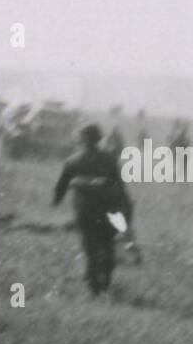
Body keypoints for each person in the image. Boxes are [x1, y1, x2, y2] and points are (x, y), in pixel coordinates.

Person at [52, 123, 136, 296]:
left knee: (89, 248)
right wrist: (126, 207)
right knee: (107, 246)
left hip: (84, 212)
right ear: (99, 139)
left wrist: (57, 200)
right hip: (107, 210)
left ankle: (94, 288)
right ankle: (104, 282)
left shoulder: (73, 161)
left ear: (81, 140)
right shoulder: (110, 159)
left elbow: (61, 187)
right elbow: (120, 186)